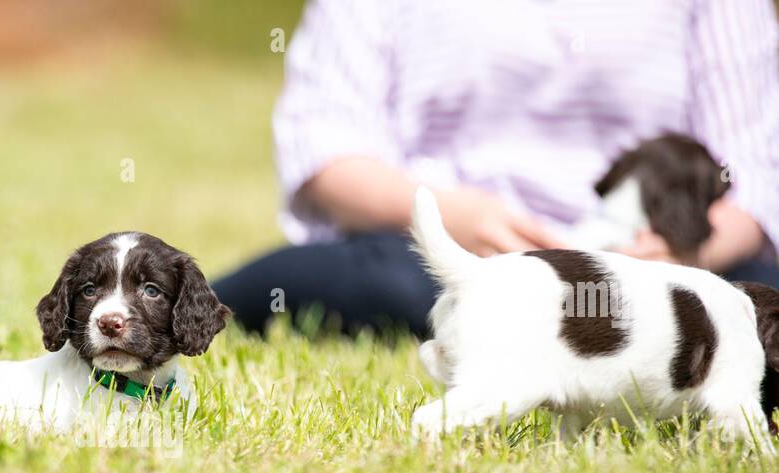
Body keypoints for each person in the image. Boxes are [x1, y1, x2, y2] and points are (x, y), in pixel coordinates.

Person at [213, 0, 779, 337]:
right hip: (445, 253)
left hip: (672, 261)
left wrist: (687, 252)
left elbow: (754, 161)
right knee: (376, 280)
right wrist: (449, 215)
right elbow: (327, 145)